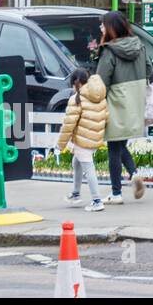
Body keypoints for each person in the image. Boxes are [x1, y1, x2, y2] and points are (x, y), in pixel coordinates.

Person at [94, 11, 149, 204]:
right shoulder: (139, 46)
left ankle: (116, 193)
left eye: (103, 25)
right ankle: (134, 174)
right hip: (135, 101)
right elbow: (149, 69)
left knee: (113, 148)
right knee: (120, 143)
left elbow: (101, 82)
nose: (100, 28)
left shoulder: (109, 51)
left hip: (115, 103)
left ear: (111, 28)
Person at [56, 68, 108, 212]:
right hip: (95, 137)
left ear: (75, 83)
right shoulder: (100, 96)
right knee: (76, 161)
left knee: (88, 168)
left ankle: (97, 201)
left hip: (83, 139)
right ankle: (76, 193)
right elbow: (106, 116)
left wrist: (60, 145)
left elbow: (68, 124)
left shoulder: (76, 99)